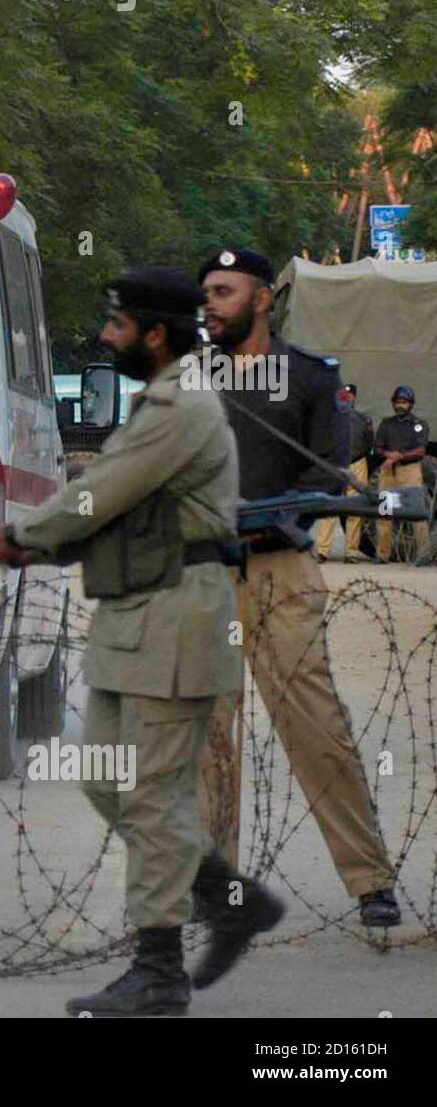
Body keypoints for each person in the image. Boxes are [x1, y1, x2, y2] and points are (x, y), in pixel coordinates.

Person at [0, 267, 283, 1016]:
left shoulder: (181, 408)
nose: (107, 339)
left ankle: (157, 972)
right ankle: (228, 899)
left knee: (151, 797)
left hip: (175, 620)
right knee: (110, 785)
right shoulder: (153, 405)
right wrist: (35, 543)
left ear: (154, 334)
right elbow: (106, 501)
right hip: (130, 617)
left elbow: (93, 496)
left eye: (118, 327)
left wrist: (17, 535)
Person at [197, 247, 400, 927]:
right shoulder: (189, 378)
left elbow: (327, 476)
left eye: (226, 291)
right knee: (206, 740)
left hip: (281, 569)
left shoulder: (310, 379)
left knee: (316, 730)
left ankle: (369, 881)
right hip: (203, 577)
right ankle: (215, 890)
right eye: (207, 293)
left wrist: (272, 510)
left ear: (261, 299)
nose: (212, 303)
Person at [313, 383, 372, 562]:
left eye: (349, 396)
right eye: (343, 396)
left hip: (357, 463)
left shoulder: (364, 419)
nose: (346, 398)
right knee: (329, 507)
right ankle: (322, 550)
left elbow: (369, 443)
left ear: (354, 397)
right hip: (335, 465)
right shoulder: (330, 418)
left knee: (355, 508)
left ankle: (351, 552)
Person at [372, 385, 429, 564]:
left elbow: (420, 450)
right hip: (388, 472)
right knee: (384, 513)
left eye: (404, 402)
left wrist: (399, 456)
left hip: (409, 471)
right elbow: (377, 448)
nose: (400, 406)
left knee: (416, 514)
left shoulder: (418, 424)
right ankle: (382, 555)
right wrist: (389, 456)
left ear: (410, 404)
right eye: (397, 402)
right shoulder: (386, 424)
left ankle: (424, 555)